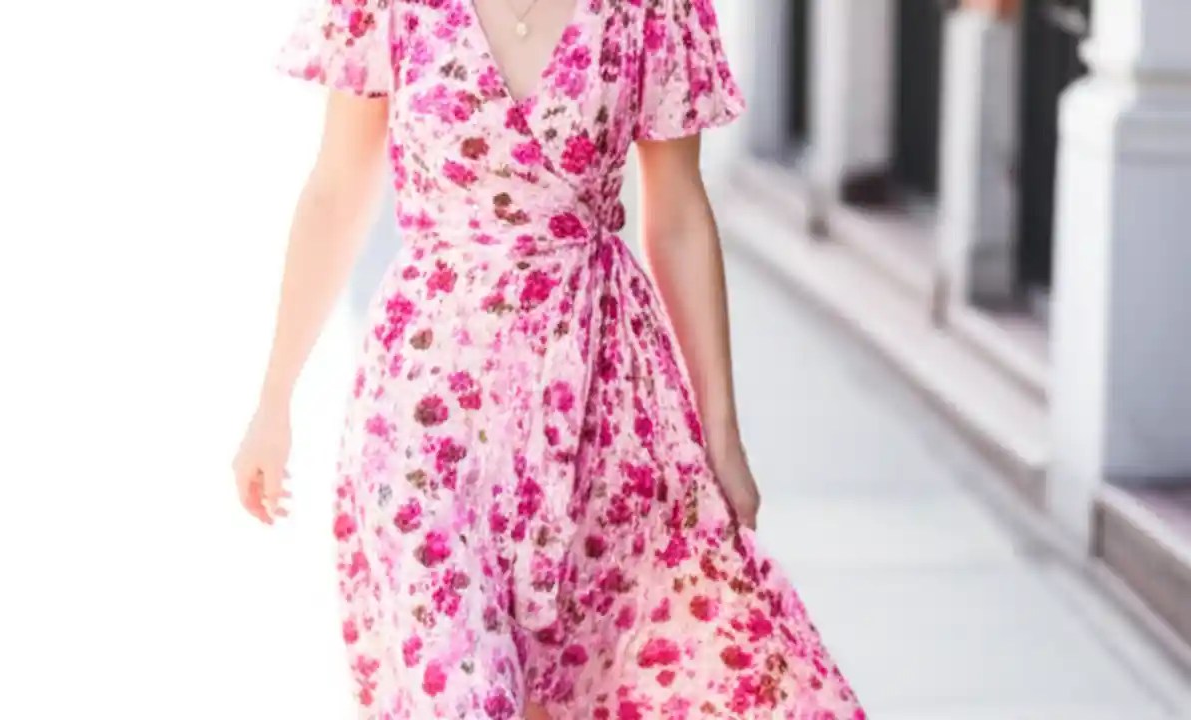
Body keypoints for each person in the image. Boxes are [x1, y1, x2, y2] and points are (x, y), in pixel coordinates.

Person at [233, 0, 866, 717]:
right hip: (425, 411)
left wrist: (722, 436)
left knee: (568, 693)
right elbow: (335, 192)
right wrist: (274, 402)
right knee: (466, 695)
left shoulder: (651, 9)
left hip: (600, 403)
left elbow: (679, 215)